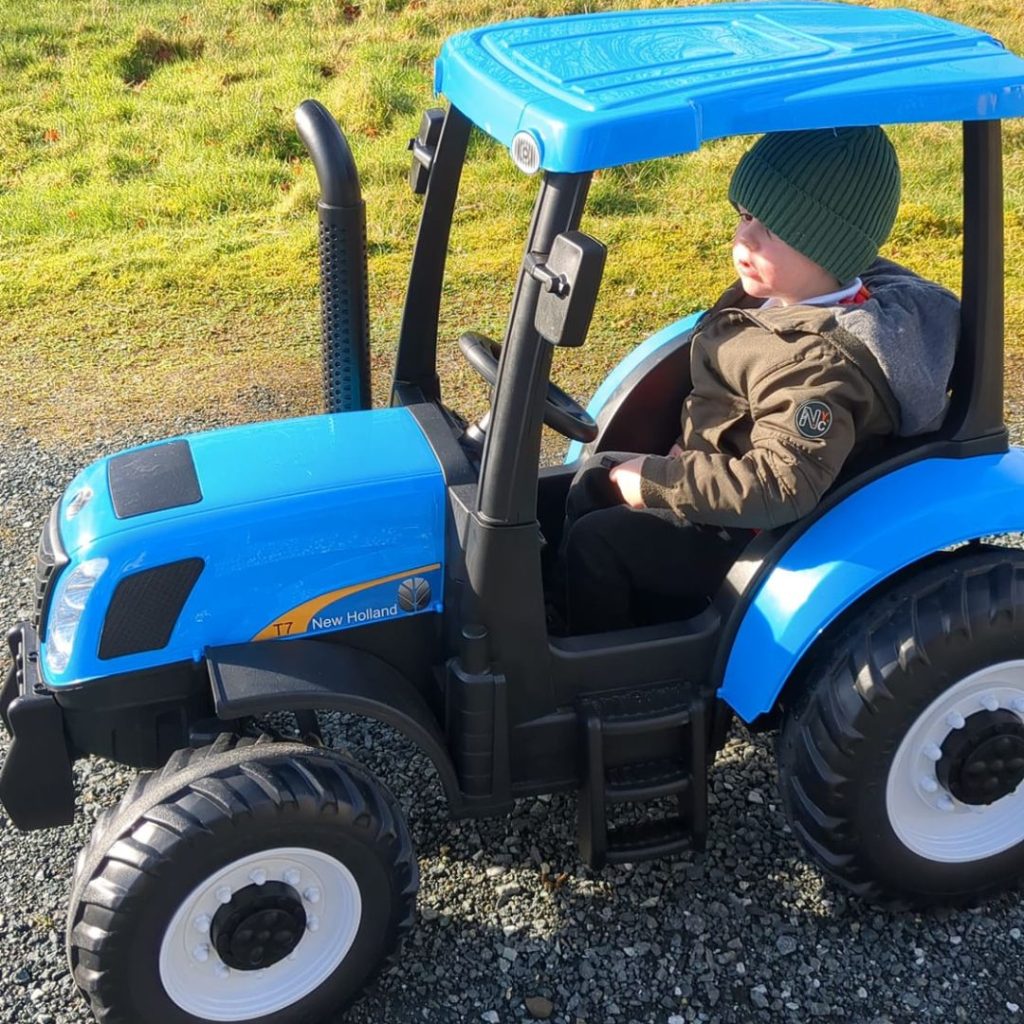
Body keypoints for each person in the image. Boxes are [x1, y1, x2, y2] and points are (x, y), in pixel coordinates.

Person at [557, 125, 959, 635]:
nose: (742, 238)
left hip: (747, 533)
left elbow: (780, 484)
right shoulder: (783, 297)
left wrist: (664, 482)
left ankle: (599, 672)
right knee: (593, 479)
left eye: (770, 228)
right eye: (745, 216)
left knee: (598, 543)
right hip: (713, 483)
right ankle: (559, 610)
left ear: (826, 247)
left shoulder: (819, 367)